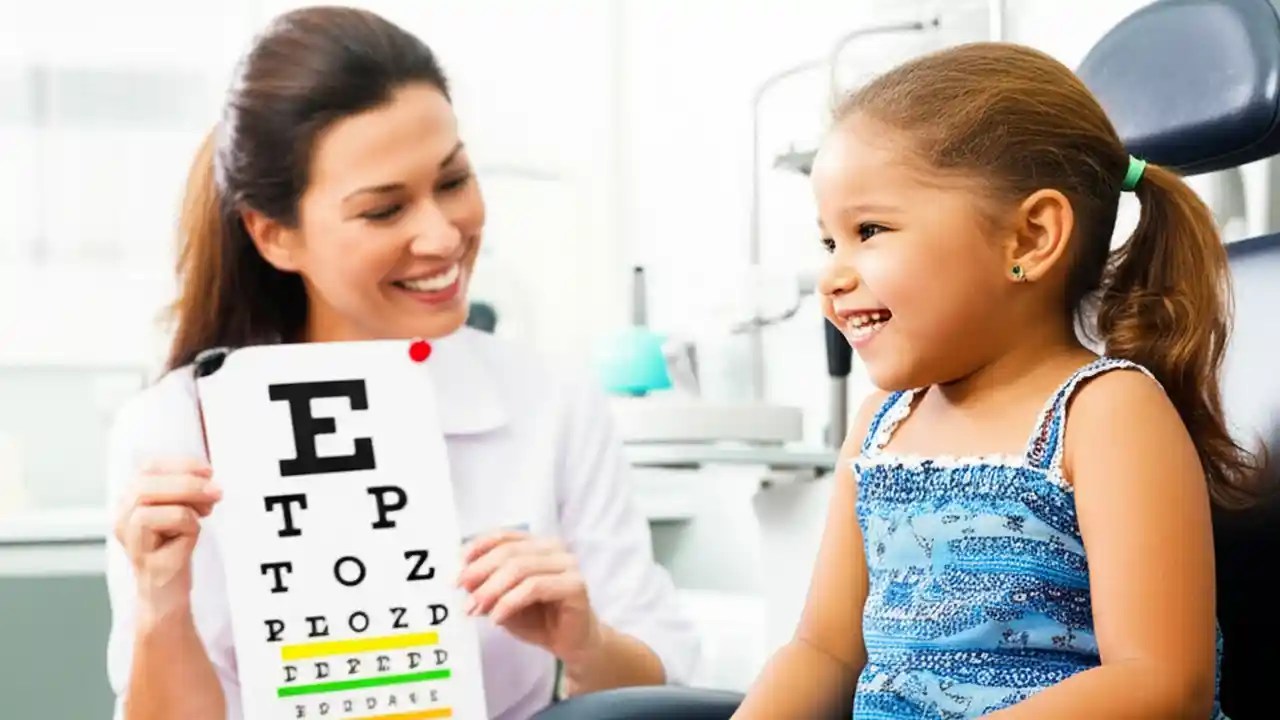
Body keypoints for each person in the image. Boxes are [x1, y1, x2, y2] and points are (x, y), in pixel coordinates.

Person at [103, 7, 698, 719]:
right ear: (274, 235)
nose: (443, 237)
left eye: (453, 181)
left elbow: (664, 687)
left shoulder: (550, 401)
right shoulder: (175, 430)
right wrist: (161, 605)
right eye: (385, 210)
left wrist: (586, 642)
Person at [733, 42, 1260, 719]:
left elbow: (1161, 684)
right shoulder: (881, 426)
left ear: (1031, 238)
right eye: (829, 242)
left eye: (870, 230)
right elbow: (823, 651)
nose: (832, 275)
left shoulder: (1105, 413)